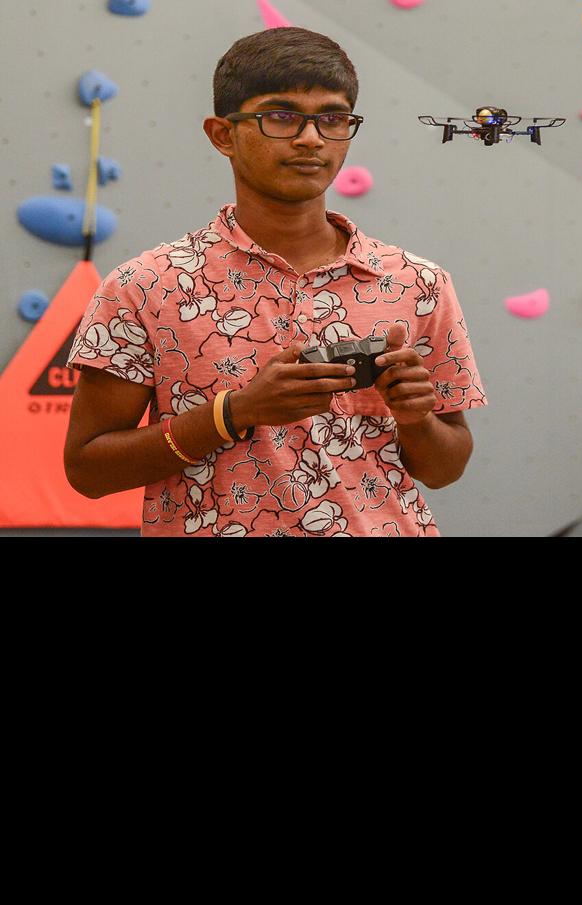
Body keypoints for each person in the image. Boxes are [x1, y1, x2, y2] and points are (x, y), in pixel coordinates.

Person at [62, 27, 486, 536]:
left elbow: (446, 469)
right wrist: (236, 411)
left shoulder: (417, 282)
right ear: (223, 134)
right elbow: (87, 470)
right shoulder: (146, 285)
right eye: (282, 117)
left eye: (333, 119)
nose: (311, 138)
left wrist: (416, 418)